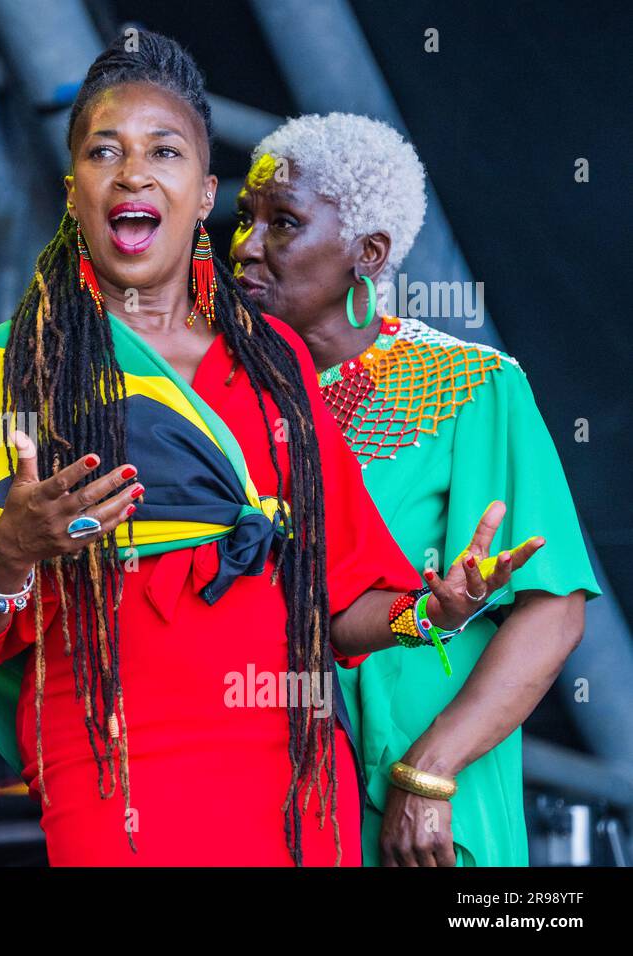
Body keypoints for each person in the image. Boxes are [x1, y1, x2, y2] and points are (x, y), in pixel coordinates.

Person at [0, 30, 542, 866]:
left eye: (164, 151)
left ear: (205, 195)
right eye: (105, 152)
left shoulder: (275, 360)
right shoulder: (9, 365)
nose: (133, 172)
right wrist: (9, 550)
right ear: (75, 191)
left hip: (292, 766)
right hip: (110, 763)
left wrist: (435, 613)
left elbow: (343, 609)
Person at [230, 112, 599, 866]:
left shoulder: (472, 388)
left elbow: (552, 608)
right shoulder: (217, 397)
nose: (245, 246)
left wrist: (430, 770)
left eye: (283, 223)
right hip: (261, 797)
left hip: (427, 816)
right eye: (245, 218)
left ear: (367, 254)